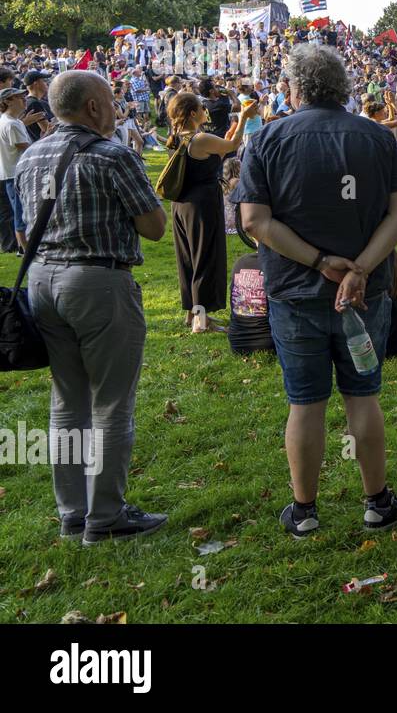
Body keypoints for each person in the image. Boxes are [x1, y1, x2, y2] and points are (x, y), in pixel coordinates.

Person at [235, 44, 397, 538]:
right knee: (363, 396)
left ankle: (304, 510)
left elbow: (254, 221)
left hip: (297, 294)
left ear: (293, 89)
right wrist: (359, 267)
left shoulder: (268, 138)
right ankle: (377, 502)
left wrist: (320, 262)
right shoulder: (378, 138)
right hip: (366, 293)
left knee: (306, 402)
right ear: (345, 89)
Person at [18, 71, 169, 543]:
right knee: (110, 403)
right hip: (97, 281)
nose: (115, 108)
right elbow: (154, 226)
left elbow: (25, 227)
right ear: (92, 108)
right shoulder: (112, 154)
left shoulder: (30, 156)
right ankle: (106, 517)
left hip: (42, 282)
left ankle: (73, 512)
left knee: (67, 401)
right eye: (109, 100)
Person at [166, 92, 252, 332]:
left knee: (188, 259)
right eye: (201, 107)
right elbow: (234, 146)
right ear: (193, 113)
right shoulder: (201, 138)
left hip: (181, 204)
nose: (206, 109)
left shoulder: (177, 137)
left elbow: (215, 155)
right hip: (202, 204)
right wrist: (244, 117)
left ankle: (192, 313)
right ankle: (201, 322)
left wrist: (226, 137)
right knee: (205, 259)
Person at [0, 88, 32, 252]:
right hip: (15, 175)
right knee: (20, 213)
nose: (24, 99)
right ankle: (25, 250)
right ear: (8, 101)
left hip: (16, 173)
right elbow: (27, 149)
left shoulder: (14, 121)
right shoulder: (11, 123)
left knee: (21, 211)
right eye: (19, 97)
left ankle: (24, 247)